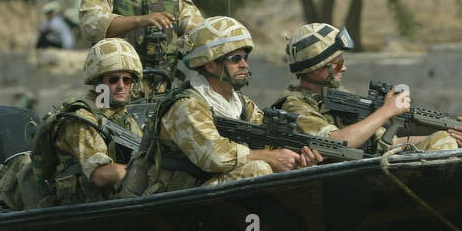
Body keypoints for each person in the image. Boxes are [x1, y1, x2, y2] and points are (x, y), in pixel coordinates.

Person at [135, 16, 322, 195]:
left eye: (245, 58)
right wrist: (270, 157)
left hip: (212, 195)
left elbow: (271, 145)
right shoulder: (187, 106)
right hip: (174, 200)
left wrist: (297, 160)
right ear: (210, 65)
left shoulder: (241, 104)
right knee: (257, 169)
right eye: (235, 59)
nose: (244, 65)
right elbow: (214, 156)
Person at [0, 39, 144, 209]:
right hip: (66, 209)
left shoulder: (122, 119)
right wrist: (146, 173)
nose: (121, 86)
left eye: (127, 80)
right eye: (113, 80)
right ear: (97, 81)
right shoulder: (80, 119)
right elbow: (100, 174)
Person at [272, 23, 462, 152]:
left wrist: (438, 136)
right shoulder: (295, 106)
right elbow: (335, 142)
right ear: (314, 68)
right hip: (330, 184)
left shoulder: (339, 97)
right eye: (338, 63)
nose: (345, 68)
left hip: (362, 175)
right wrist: (386, 111)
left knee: (443, 142)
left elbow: (388, 144)